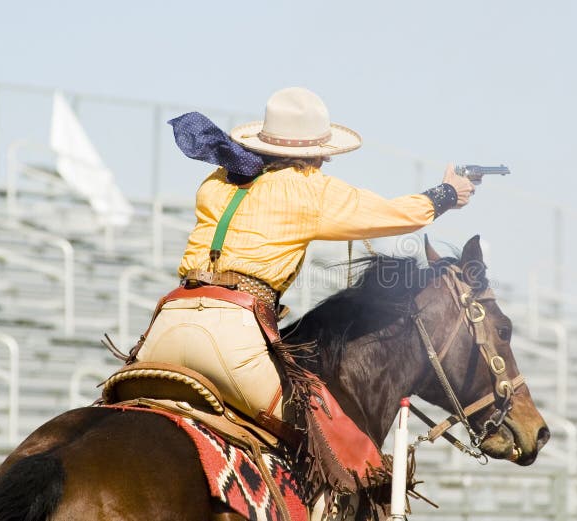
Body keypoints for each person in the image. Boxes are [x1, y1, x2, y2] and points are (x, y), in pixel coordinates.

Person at [135, 86, 475, 427]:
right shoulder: (308, 188)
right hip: (232, 340)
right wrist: (447, 193)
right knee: (319, 429)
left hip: (166, 326)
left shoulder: (218, 179)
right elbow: (394, 214)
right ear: (316, 155)